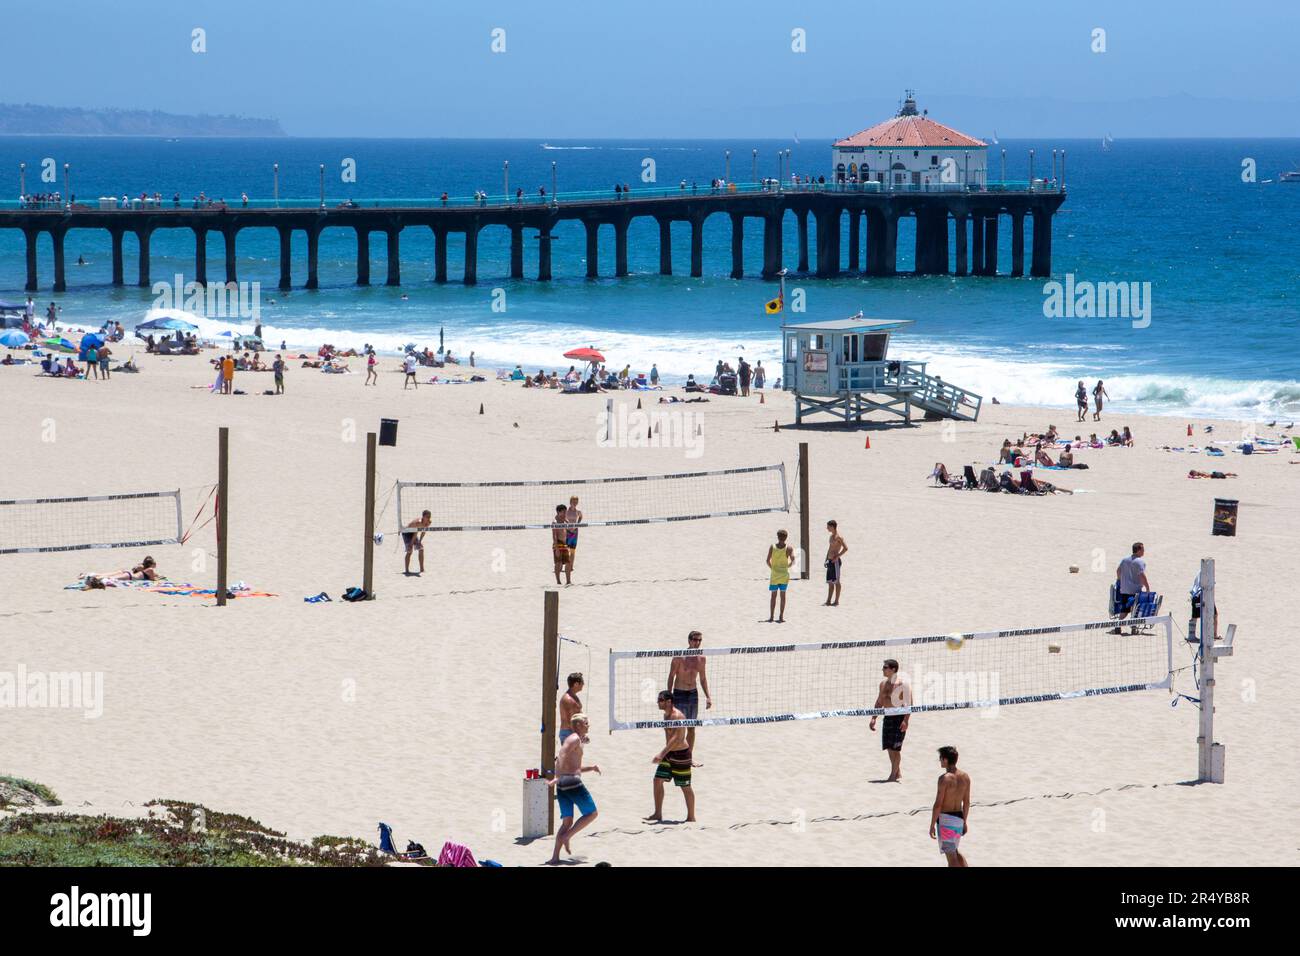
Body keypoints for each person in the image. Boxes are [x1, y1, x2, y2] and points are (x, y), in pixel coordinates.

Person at [546, 714, 600, 864]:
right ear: (577, 726)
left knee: (567, 822)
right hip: (572, 783)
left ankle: (555, 857)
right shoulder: (574, 738)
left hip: (563, 785)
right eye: (586, 723)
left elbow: (572, 766)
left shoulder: (578, 739)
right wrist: (556, 775)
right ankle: (567, 836)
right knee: (592, 813)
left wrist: (591, 768)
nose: (588, 725)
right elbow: (561, 756)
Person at [645, 690, 695, 823]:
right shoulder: (666, 715)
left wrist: (661, 754)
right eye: (658, 700)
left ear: (669, 701)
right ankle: (657, 813)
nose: (658, 702)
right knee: (657, 780)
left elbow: (678, 738)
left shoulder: (678, 716)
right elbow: (669, 737)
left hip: (681, 754)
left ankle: (691, 817)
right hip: (669, 753)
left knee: (685, 786)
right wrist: (665, 753)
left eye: (660, 700)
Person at [667, 631, 712, 755]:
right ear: (689, 640)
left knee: (691, 728)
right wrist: (669, 696)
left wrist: (708, 696)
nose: (697, 642)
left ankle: (688, 757)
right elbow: (671, 676)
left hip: (692, 694)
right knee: (677, 727)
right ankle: (674, 755)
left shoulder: (701, 658)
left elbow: (703, 679)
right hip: (679, 694)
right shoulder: (679, 657)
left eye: (699, 640)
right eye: (694, 640)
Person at [868, 659, 911, 782]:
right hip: (887, 717)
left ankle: (893, 774)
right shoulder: (882, 684)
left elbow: (909, 705)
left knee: (895, 748)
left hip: (899, 718)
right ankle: (897, 771)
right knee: (889, 747)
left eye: (885, 667)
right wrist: (873, 718)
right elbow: (879, 702)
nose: (883, 669)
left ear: (893, 669)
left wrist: (906, 721)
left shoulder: (903, 684)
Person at [930, 745, 971, 867]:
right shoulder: (965, 777)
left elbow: (938, 804)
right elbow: (967, 802)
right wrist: (964, 821)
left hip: (946, 819)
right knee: (955, 851)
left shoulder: (944, 779)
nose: (940, 761)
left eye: (940, 758)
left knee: (951, 856)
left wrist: (932, 824)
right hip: (959, 818)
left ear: (946, 760)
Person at [1111, 541, 1150, 634]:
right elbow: (1142, 575)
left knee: (1124, 610)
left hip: (1124, 590)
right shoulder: (1140, 561)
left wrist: (1120, 581)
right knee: (1135, 609)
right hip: (1135, 590)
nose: (1144, 551)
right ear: (1138, 550)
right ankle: (1133, 627)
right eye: (1143, 549)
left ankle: (1118, 625)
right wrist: (1147, 587)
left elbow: (1118, 571)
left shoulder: (1125, 560)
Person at [766, 529, 793, 623]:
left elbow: (767, 561)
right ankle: (781, 617)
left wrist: (772, 568)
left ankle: (771, 617)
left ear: (777, 537)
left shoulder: (772, 547)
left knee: (773, 596)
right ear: (786, 538)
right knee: (783, 596)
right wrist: (788, 566)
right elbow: (793, 560)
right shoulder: (789, 548)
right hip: (784, 575)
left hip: (774, 575)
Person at [824, 519, 847, 606]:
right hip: (829, 561)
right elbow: (829, 548)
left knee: (836, 581)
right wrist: (826, 558)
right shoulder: (831, 537)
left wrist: (837, 556)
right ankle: (828, 600)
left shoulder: (838, 537)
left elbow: (845, 548)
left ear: (832, 527)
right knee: (830, 582)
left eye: (828, 527)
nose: (827, 528)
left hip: (836, 562)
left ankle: (836, 601)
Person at [403, 510, 432, 575]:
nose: (429, 518)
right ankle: (407, 570)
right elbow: (415, 534)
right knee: (409, 551)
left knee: (421, 549)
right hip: (406, 533)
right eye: (427, 517)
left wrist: (420, 541)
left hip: (413, 533)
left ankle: (422, 569)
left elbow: (423, 532)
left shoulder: (428, 522)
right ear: (423, 517)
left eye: (430, 516)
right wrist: (411, 544)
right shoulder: (418, 523)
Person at [559, 674, 584, 744]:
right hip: (569, 733)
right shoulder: (568, 699)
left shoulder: (573, 696)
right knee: (569, 755)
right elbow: (571, 720)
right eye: (582, 683)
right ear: (576, 684)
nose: (583, 684)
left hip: (573, 732)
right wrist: (580, 735)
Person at [551, 504, 572, 586]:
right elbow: (554, 536)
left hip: (565, 543)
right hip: (558, 543)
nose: (564, 514)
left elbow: (569, 530)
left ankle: (568, 581)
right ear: (558, 512)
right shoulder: (555, 522)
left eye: (565, 512)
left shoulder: (565, 520)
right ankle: (558, 581)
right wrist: (556, 548)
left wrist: (567, 522)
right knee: (558, 563)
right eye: (563, 512)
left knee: (568, 562)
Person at [563, 496, 582, 573]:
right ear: (570, 502)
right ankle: (566, 565)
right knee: (566, 550)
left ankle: (571, 566)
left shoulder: (578, 512)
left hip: (574, 532)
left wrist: (577, 524)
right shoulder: (566, 511)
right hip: (567, 531)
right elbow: (562, 518)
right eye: (573, 501)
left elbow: (580, 517)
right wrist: (566, 523)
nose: (575, 503)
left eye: (576, 501)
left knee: (573, 550)